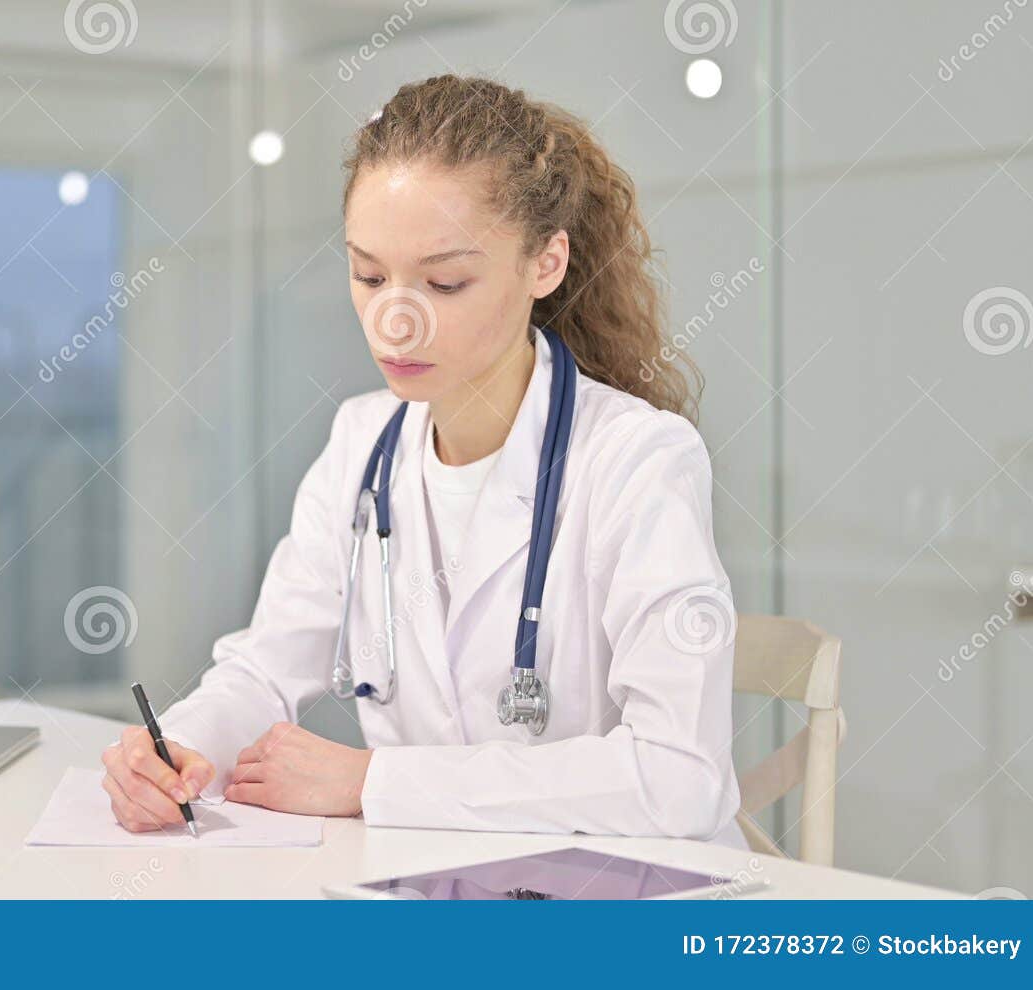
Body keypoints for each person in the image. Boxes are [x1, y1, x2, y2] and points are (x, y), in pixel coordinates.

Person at [101, 73, 745, 846]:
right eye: (368, 275)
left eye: (444, 282)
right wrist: (177, 749)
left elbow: (682, 780)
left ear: (546, 263)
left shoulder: (637, 460)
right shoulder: (361, 444)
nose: (393, 324)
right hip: (424, 885)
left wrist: (375, 782)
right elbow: (264, 669)